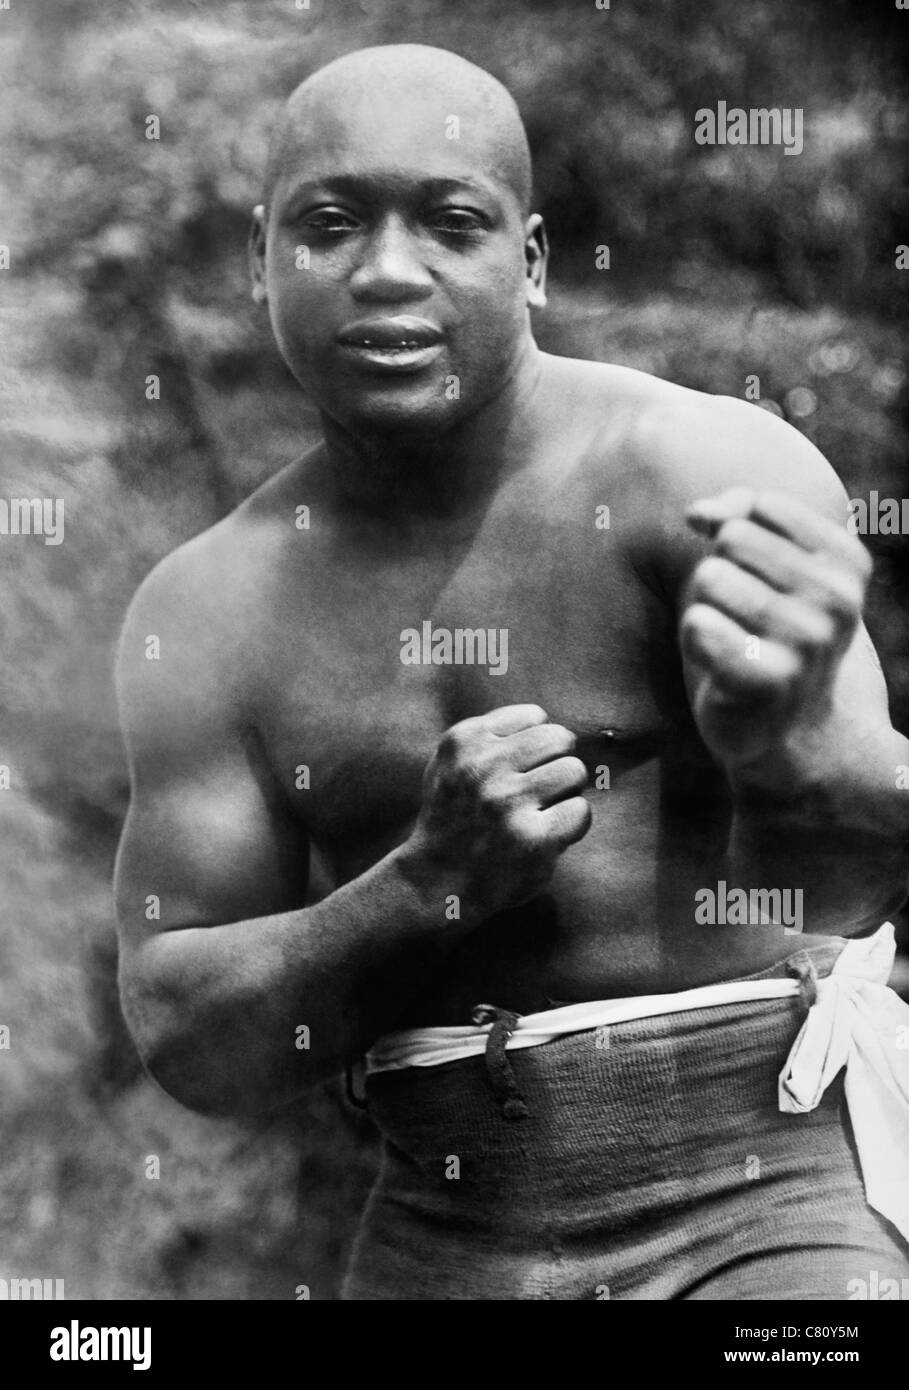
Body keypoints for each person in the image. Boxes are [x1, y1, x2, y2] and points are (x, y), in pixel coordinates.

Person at [114, 44, 909, 1299]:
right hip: (448, 1222)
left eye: (450, 222)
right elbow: (188, 1036)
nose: (387, 272)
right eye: (330, 225)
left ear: (530, 262)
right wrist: (424, 887)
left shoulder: (697, 473)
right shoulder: (208, 610)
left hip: (767, 1195)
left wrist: (799, 742)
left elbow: (855, 879)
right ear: (256, 261)